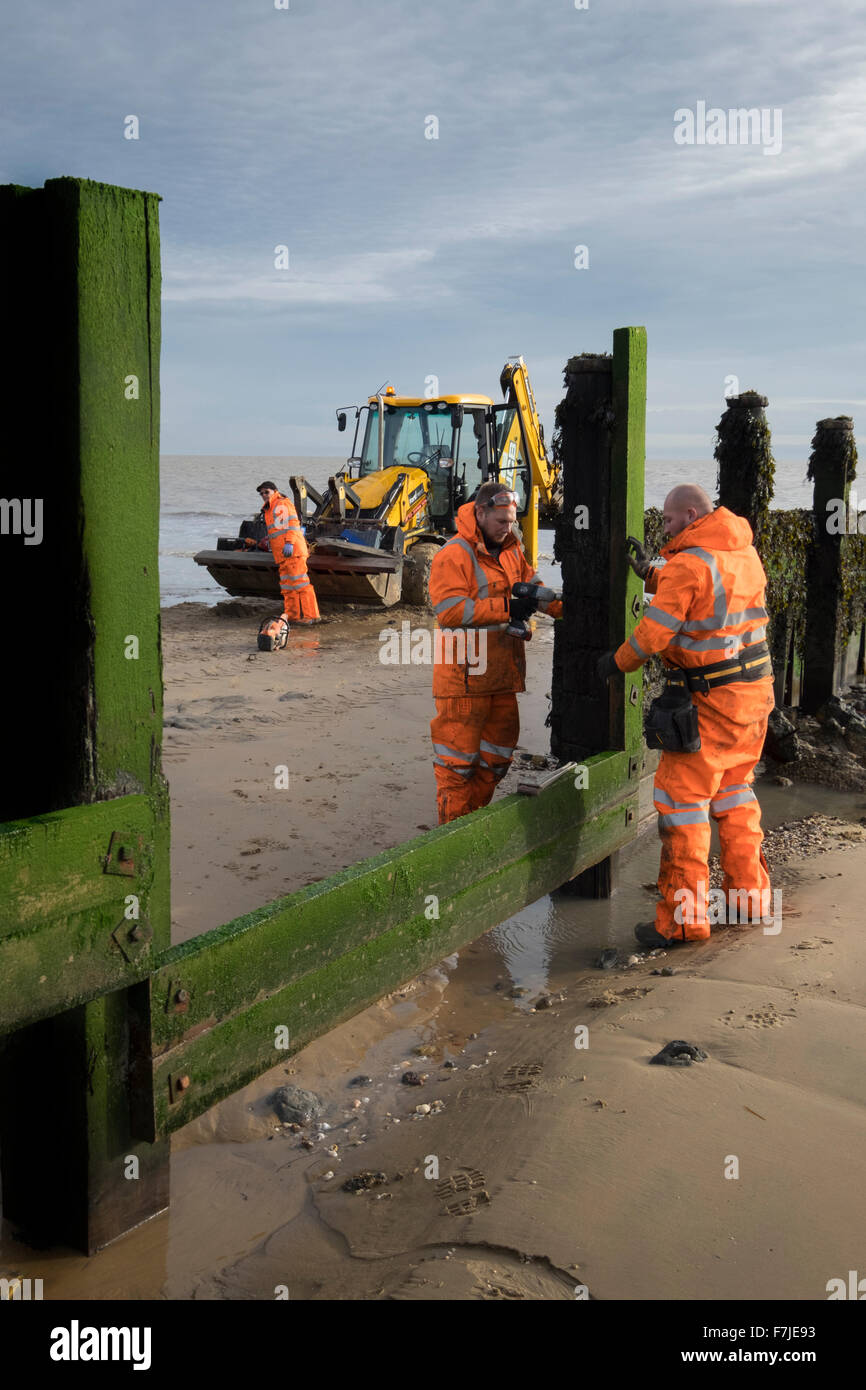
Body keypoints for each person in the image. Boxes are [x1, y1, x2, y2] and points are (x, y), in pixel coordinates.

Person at [597, 484, 774, 948]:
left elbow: (653, 635)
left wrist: (616, 664)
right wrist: (649, 572)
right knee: (735, 795)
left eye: (670, 521)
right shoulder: (743, 553)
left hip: (711, 704)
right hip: (755, 698)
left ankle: (681, 923)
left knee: (682, 808)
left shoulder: (691, 563)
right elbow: (702, 590)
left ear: (691, 514)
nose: (665, 529)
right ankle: (748, 900)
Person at [428, 480, 562, 824]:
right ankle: (451, 842)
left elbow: (533, 585)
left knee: (498, 757)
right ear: (480, 512)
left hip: (501, 678)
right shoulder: (453, 555)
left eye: (512, 520)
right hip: (464, 682)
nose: (509, 527)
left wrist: (563, 605)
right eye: (501, 521)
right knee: (457, 767)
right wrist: (508, 609)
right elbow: (450, 612)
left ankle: (471, 822)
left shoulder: (512, 550)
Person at [256, 481, 321, 625]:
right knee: (287, 586)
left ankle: (311, 616)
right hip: (283, 555)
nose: (264, 495)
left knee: (300, 584)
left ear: (275, 491)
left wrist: (289, 543)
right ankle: (292, 615)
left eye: (266, 492)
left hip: (293, 552)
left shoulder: (281, 504)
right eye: (261, 493)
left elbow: (292, 524)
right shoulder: (270, 508)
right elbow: (278, 530)